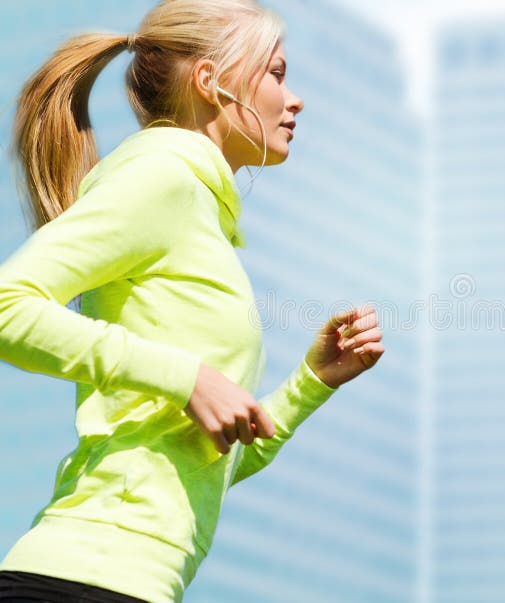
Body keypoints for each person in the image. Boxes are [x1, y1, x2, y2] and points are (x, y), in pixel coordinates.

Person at [0, 1, 385, 601]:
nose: (296, 98)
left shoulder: (200, 211)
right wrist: (187, 379)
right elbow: (8, 307)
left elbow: (206, 460)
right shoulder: (162, 179)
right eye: (276, 73)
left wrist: (312, 381)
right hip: (82, 576)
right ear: (210, 83)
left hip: (132, 583)